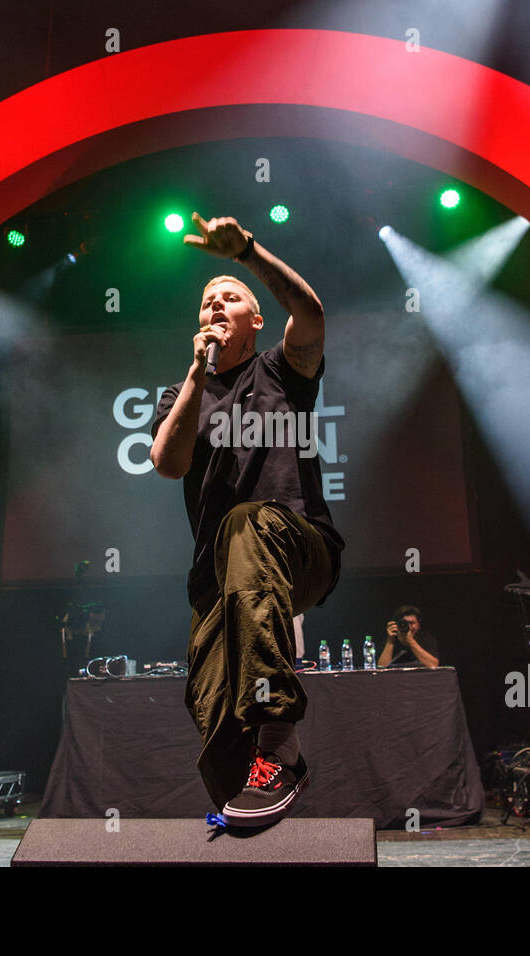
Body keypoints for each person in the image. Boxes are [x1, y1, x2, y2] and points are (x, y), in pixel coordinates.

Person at [150, 212, 343, 827]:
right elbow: (167, 462)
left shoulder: (281, 369)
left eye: (229, 298)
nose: (215, 306)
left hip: (300, 545)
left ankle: (280, 747)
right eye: (207, 302)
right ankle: (251, 787)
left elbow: (310, 314)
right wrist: (194, 375)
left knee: (245, 524)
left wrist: (249, 256)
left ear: (256, 321)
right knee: (210, 701)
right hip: (220, 574)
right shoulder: (185, 390)